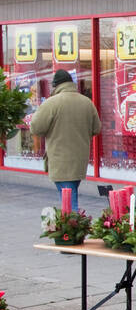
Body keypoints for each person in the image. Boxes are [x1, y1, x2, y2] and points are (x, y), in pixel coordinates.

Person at [28, 69, 101, 212]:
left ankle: (72, 231)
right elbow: (96, 128)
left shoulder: (52, 103)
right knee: (70, 195)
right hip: (80, 160)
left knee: (69, 202)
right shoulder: (87, 102)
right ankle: (71, 228)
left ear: (56, 85)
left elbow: (35, 127)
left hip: (59, 160)